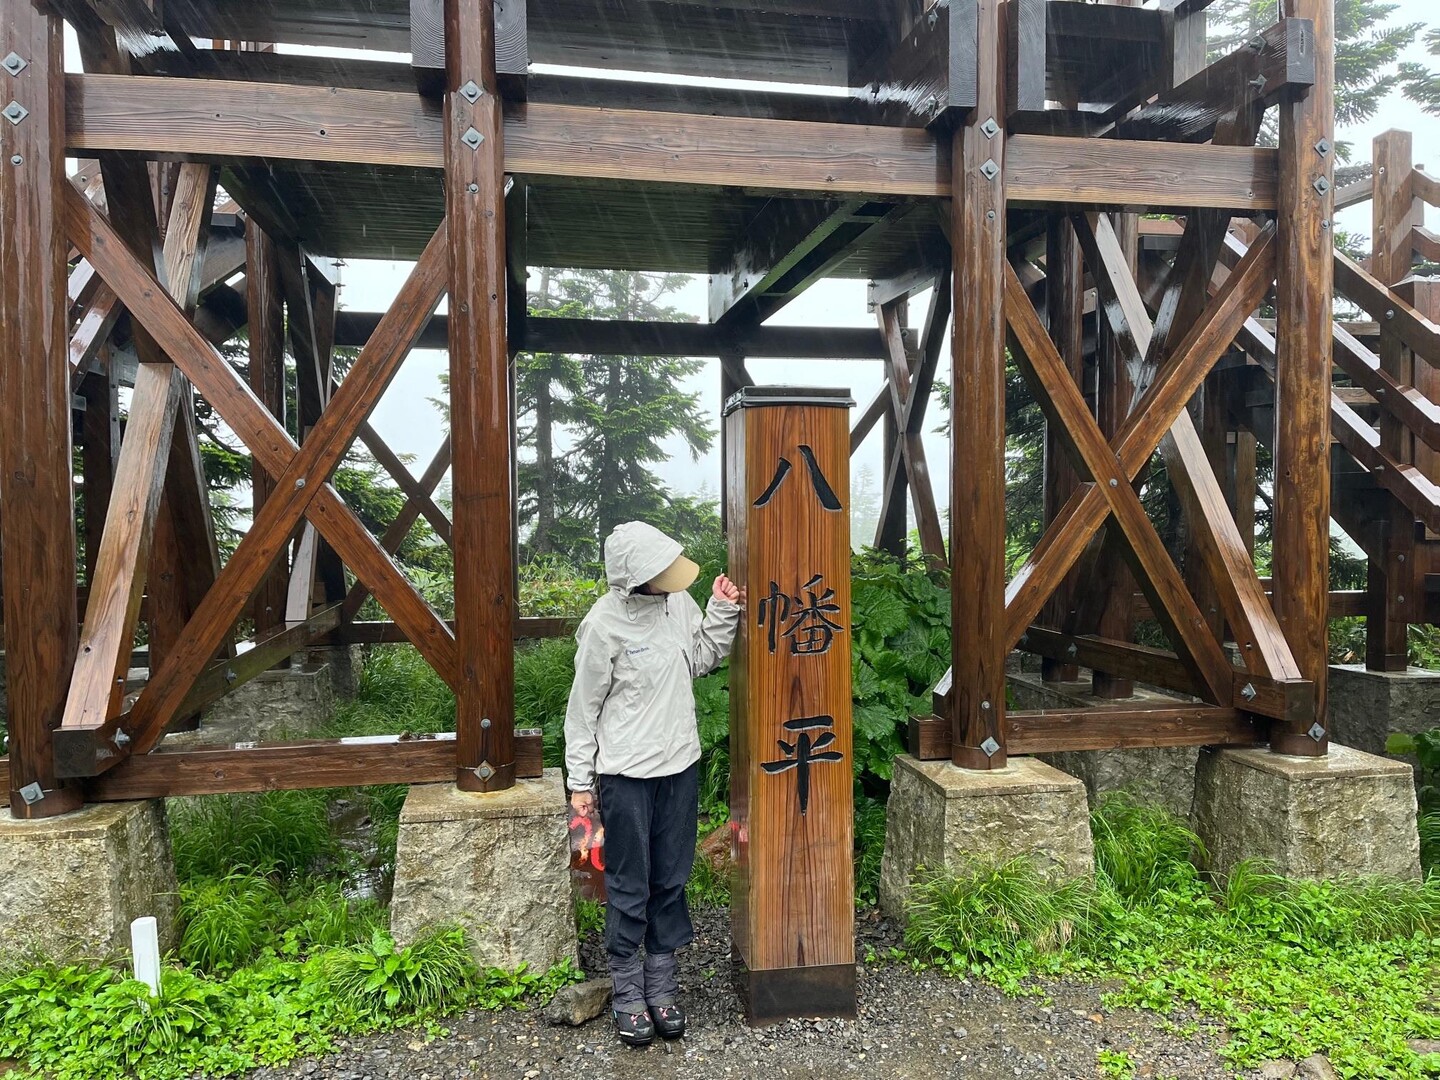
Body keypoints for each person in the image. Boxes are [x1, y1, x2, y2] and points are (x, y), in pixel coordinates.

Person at [565, 521, 740, 1047]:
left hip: (679, 766)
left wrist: (723, 609)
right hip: (625, 776)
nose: (673, 577)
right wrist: (580, 784)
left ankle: (661, 985)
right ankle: (626, 990)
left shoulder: (679, 604)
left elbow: (703, 657)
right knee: (628, 881)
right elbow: (583, 710)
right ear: (637, 577)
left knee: (670, 876)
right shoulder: (603, 625)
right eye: (662, 571)